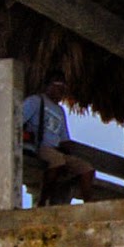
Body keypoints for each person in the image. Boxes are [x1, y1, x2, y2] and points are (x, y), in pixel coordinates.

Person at [21, 73, 96, 206]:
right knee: (57, 161)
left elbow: (64, 137)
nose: (61, 92)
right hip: (39, 146)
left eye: (63, 89)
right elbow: (18, 120)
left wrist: (71, 152)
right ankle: (43, 201)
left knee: (87, 169)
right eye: (58, 87)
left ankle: (89, 205)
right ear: (48, 87)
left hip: (55, 149)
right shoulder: (35, 101)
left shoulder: (60, 110)